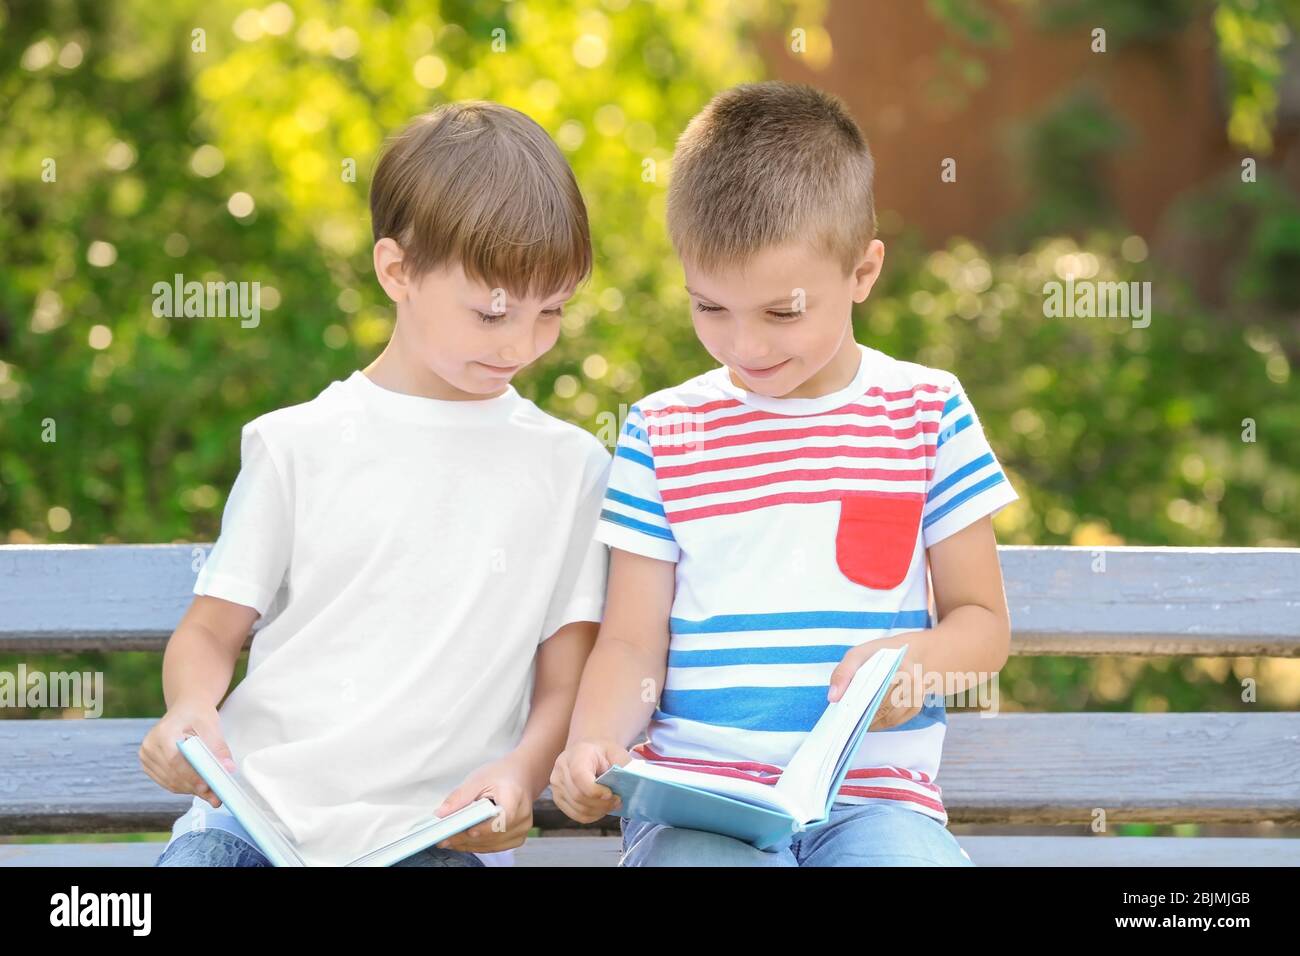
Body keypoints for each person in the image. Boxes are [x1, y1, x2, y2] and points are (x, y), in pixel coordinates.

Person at [551, 81, 1021, 866]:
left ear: (863, 272)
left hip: (874, 802)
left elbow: (982, 623)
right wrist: (595, 741)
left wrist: (917, 667)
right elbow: (632, 643)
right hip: (698, 805)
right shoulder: (664, 429)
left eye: (782, 313)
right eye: (710, 309)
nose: (746, 347)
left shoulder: (926, 411)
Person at [140, 102, 611, 867]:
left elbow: (565, 684)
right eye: (492, 314)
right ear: (397, 270)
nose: (523, 344)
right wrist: (191, 711)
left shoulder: (572, 470)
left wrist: (521, 774)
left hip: (436, 839)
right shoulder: (298, 445)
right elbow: (209, 634)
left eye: (551, 312)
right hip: (256, 826)